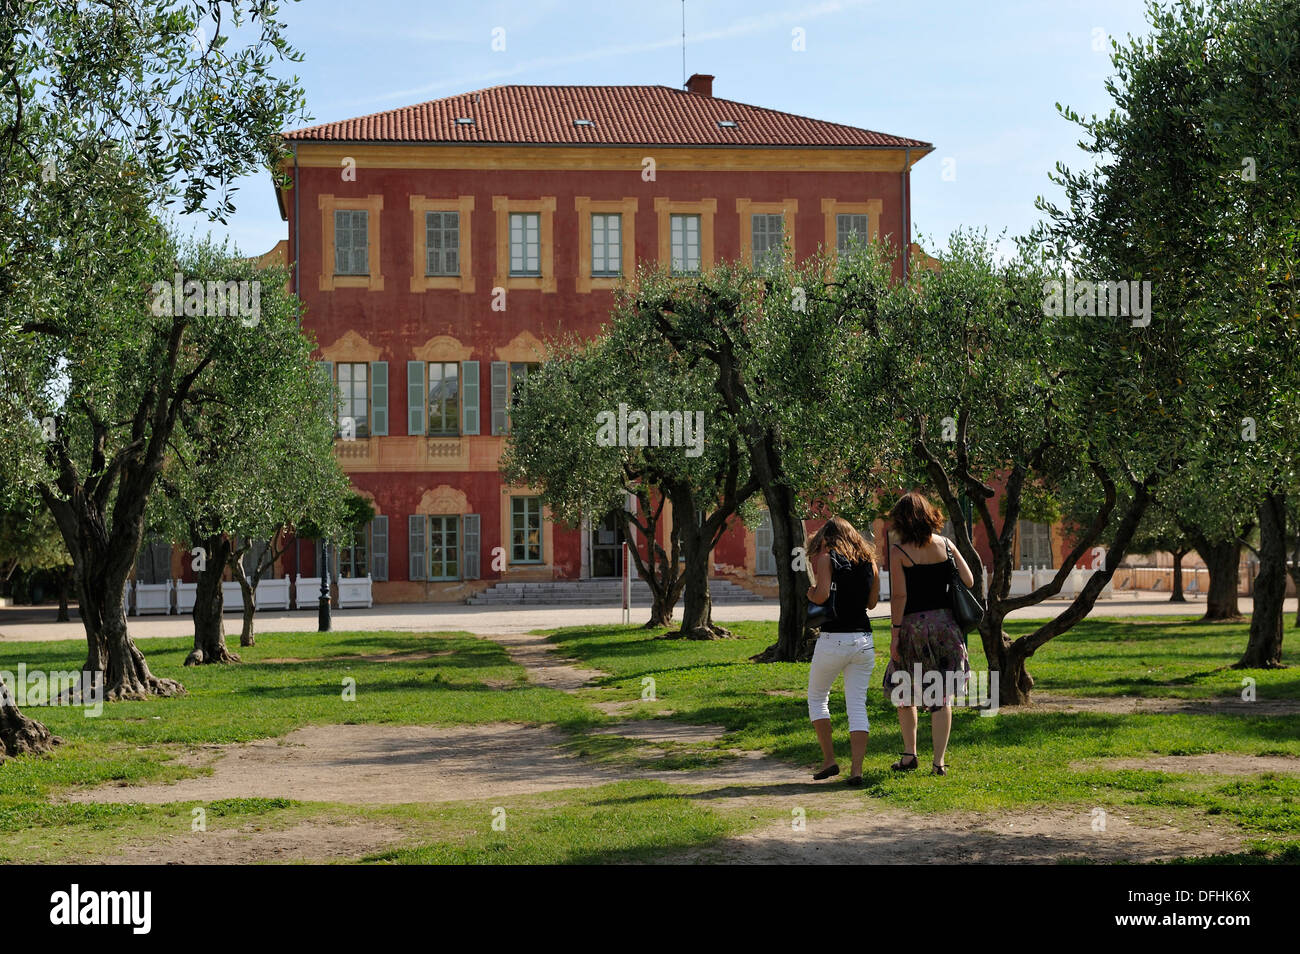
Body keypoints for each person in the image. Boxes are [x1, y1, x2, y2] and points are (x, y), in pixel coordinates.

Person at [885, 491, 974, 776]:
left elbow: (899, 596)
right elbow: (969, 580)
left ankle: (910, 754)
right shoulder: (946, 544)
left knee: (904, 690)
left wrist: (895, 634)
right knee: (941, 696)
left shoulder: (899, 551)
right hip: (947, 628)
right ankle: (939, 763)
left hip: (913, 628)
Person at [805, 516, 880, 786]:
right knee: (857, 704)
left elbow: (823, 595)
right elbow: (872, 603)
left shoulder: (827, 560)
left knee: (817, 697)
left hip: (833, 638)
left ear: (828, 538)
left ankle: (829, 759)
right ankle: (856, 770)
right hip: (863, 639)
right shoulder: (870, 562)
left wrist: (810, 593)